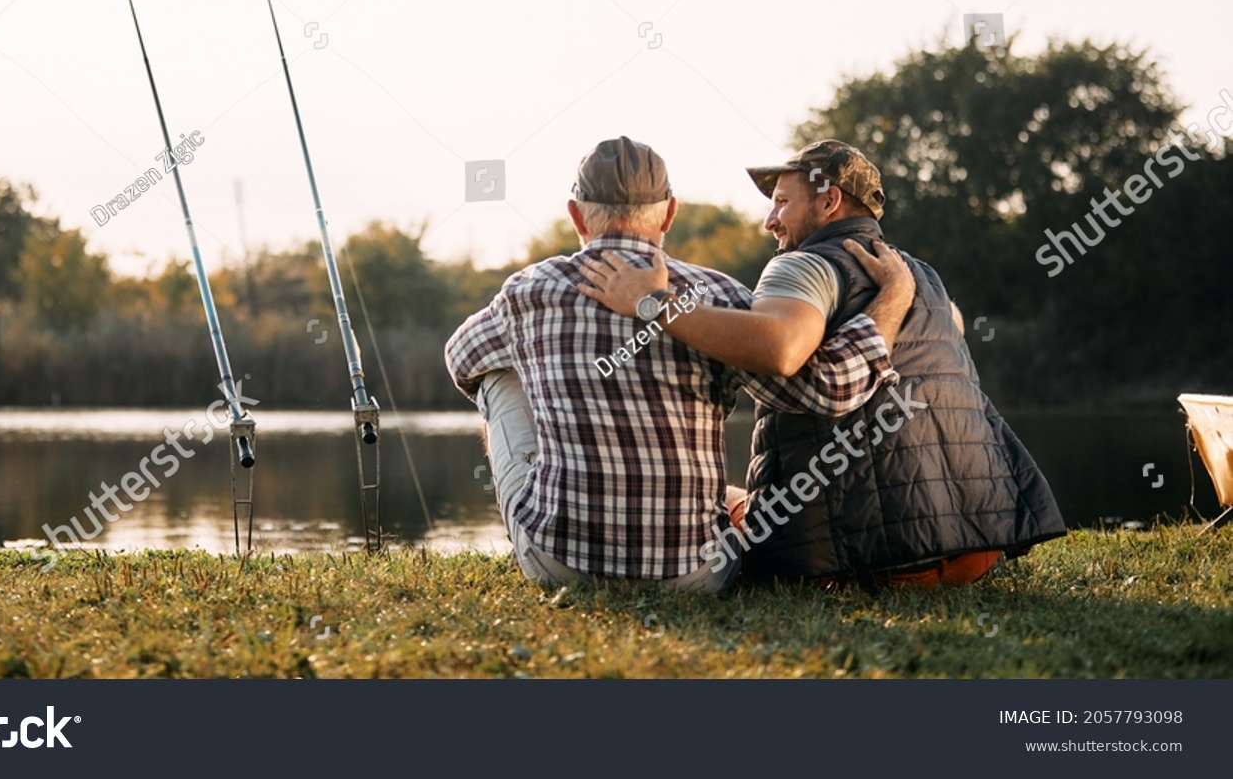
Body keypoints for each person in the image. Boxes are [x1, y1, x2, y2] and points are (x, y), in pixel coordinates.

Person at [580, 139, 1066, 586]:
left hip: (857, 563)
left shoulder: (801, 265)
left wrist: (655, 304)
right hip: (973, 553)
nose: (770, 221)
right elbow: (949, 332)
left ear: (829, 201)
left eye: (782, 203)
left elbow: (779, 351)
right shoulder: (924, 279)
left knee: (720, 502)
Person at [444, 136, 916, 591]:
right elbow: (823, 391)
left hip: (558, 564)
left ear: (575, 215)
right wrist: (893, 300)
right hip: (697, 575)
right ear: (670, 211)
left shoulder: (526, 291)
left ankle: (561, 507)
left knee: (495, 370)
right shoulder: (721, 296)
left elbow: (461, 359)